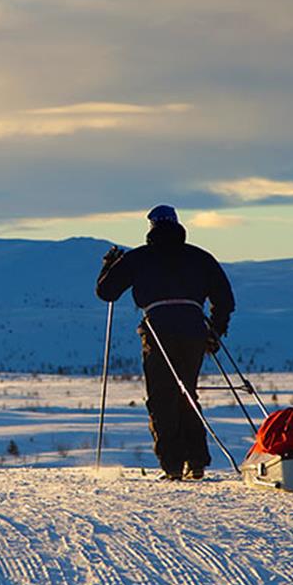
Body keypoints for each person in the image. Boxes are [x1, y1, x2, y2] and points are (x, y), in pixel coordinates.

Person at [96, 204, 235, 480]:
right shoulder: (200, 257)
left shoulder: (139, 257)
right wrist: (215, 330)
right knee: (187, 393)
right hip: (194, 329)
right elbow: (225, 299)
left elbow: (106, 292)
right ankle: (196, 462)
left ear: (152, 227)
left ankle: (172, 466)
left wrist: (108, 266)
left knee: (162, 397)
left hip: (158, 328)